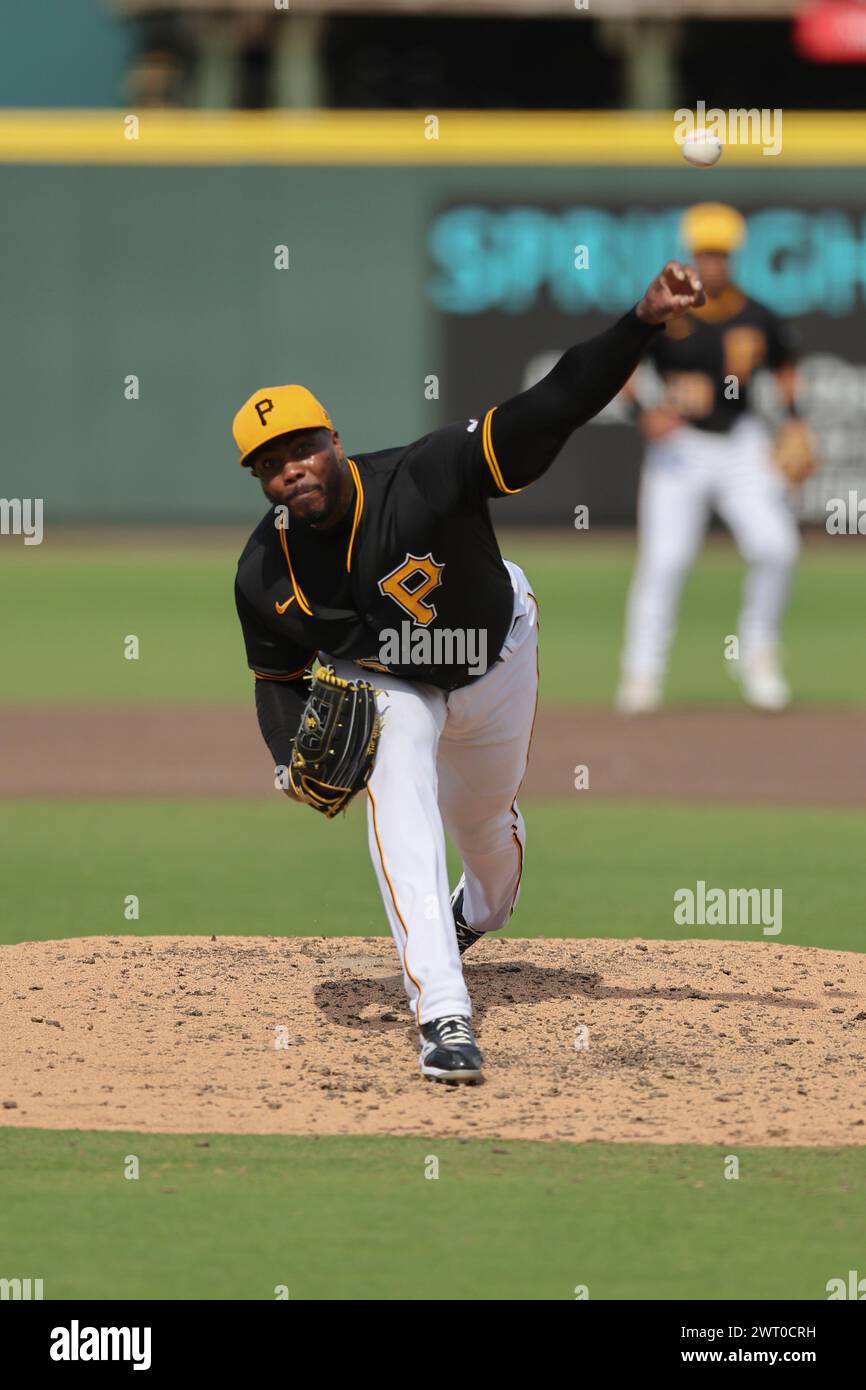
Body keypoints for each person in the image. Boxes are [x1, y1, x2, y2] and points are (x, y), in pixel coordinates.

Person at [233, 261, 704, 1084]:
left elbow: (550, 406)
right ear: (260, 481)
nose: (293, 467)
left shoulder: (426, 474)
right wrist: (288, 766)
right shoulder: (263, 571)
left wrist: (641, 321)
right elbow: (277, 681)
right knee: (398, 783)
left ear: (334, 441)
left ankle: (477, 910)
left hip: (496, 657)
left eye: (303, 446)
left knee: (484, 841)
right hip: (396, 684)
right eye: (271, 462)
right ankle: (444, 1010)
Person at [616, 203, 816, 715]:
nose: (713, 263)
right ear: (691, 254)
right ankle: (642, 673)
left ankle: (758, 655)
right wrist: (643, 413)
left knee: (776, 546)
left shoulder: (758, 314)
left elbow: (787, 367)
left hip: (741, 443)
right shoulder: (668, 311)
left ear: (733, 257)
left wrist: (795, 418)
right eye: (705, 253)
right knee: (664, 561)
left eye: (721, 254)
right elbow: (619, 362)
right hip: (678, 449)